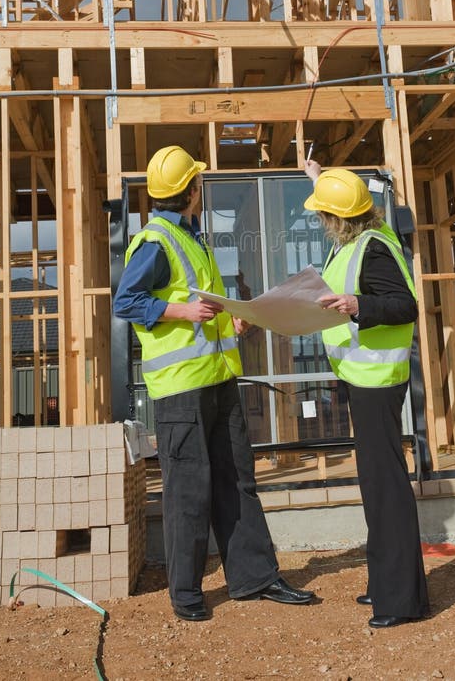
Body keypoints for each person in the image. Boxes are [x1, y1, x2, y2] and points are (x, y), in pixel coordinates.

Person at [114, 145, 313, 621]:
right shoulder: (157, 242)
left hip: (218, 380)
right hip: (181, 391)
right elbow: (127, 300)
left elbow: (201, 309)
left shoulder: (192, 236)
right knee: (188, 489)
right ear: (191, 191)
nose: (202, 190)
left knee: (236, 479)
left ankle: (255, 578)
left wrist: (235, 322)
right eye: (199, 184)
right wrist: (179, 310)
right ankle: (185, 595)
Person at [303, 161, 429, 629]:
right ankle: (386, 585)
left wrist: (357, 306)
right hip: (361, 379)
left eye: (323, 214)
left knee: (386, 488)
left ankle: (400, 600)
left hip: (377, 382)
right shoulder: (358, 239)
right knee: (376, 485)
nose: (320, 221)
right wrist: (317, 178)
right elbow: (338, 196)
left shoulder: (373, 250)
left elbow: (405, 305)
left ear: (338, 220)